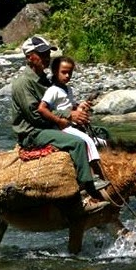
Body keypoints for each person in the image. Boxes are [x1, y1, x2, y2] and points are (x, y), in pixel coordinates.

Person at [10, 35, 108, 213]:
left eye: (47, 54)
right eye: (42, 54)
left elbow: (58, 104)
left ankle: (103, 173)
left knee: (101, 133)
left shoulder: (45, 80)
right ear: (30, 57)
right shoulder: (23, 83)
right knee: (77, 143)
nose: (47, 58)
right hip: (33, 132)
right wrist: (70, 116)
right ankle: (86, 193)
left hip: (49, 125)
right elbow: (36, 116)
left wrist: (77, 108)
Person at [38, 56, 108, 186]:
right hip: (62, 127)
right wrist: (58, 120)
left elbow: (69, 107)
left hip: (71, 124)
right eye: (63, 72)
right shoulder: (52, 90)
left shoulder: (68, 89)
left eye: (70, 72)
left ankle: (106, 167)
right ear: (54, 71)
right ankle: (91, 177)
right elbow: (42, 108)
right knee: (86, 141)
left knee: (102, 140)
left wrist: (79, 107)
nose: (67, 76)